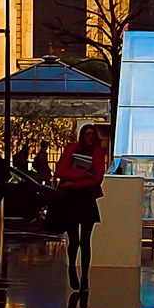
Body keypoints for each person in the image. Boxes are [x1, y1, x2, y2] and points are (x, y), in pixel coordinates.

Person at [52, 121, 108, 287]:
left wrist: (74, 182)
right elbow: (60, 171)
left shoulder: (98, 152)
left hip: (86, 197)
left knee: (85, 241)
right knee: (74, 240)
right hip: (71, 198)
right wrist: (82, 175)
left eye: (93, 134)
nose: (90, 137)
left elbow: (98, 178)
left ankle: (85, 277)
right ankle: (71, 269)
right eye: (87, 134)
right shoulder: (72, 149)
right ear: (82, 136)